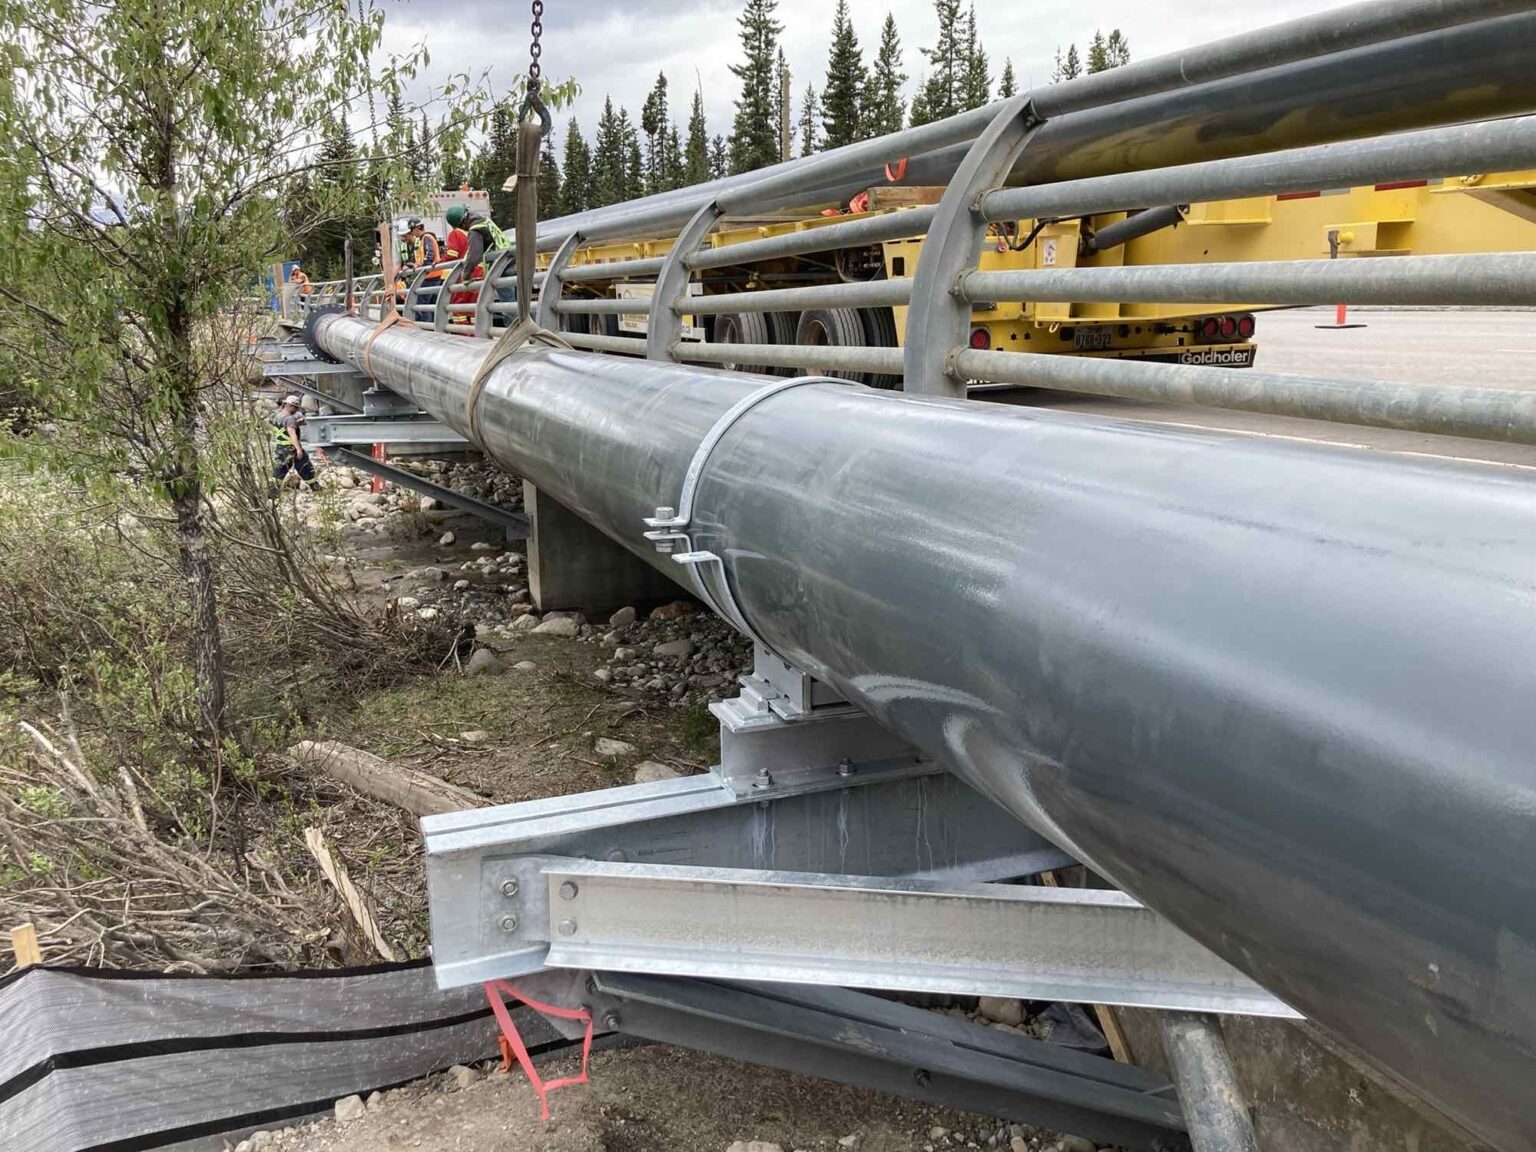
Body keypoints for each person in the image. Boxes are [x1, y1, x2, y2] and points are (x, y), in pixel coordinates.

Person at [269, 395, 318, 491]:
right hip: (291, 448)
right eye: (295, 408)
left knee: (280, 469)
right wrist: (298, 449)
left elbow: (283, 428)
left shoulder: (276, 416)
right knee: (305, 466)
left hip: (280, 448)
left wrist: (295, 423)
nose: (296, 410)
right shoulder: (289, 419)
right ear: (290, 406)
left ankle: (272, 491)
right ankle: (315, 486)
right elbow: (292, 435)